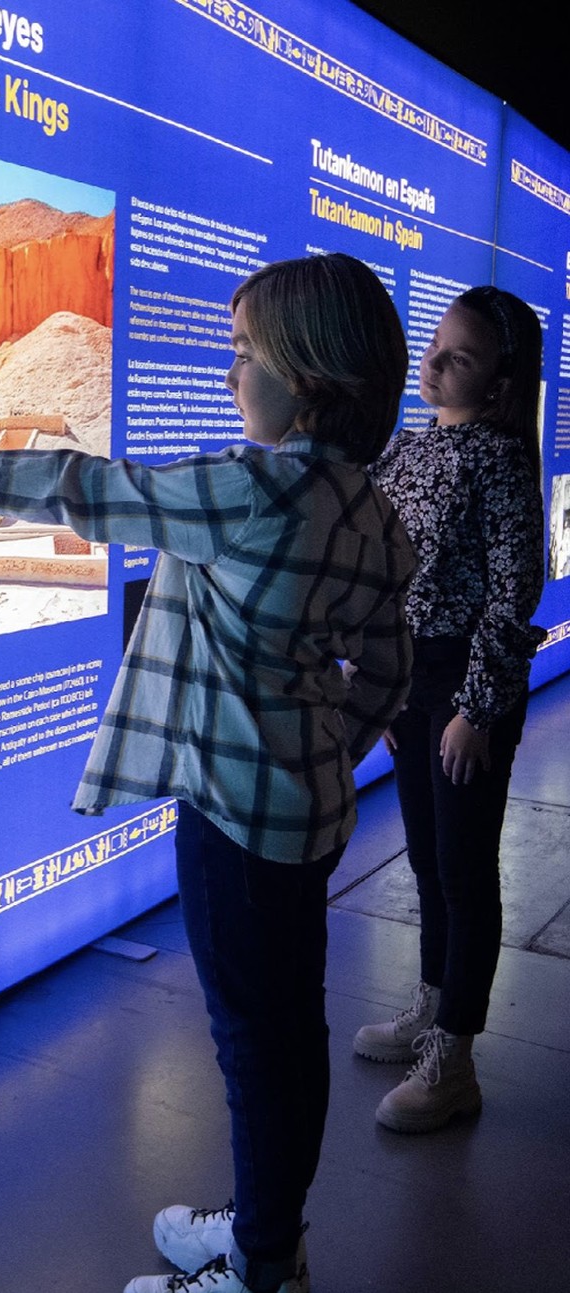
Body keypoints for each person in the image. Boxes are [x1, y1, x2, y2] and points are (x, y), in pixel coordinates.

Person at [0, 252, 415, 1293]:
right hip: (307, 813)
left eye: (244, 352)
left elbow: (81, 489)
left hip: (233, 824)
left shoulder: (250, 491)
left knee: (251, 1046)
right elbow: (386, 672)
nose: (229, 373)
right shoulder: (372, 512)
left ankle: (260, 1268)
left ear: (308, 374)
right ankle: (265, 1229)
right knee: (288, 1031)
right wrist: (320, 753)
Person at [353, 285, 546, 1134]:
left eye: (458, 357)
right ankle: (431, 1005)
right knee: (429, 861)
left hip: (469, 686)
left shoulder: (500, 460)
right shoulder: (409, 446)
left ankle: (455, 1059)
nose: (432, 364)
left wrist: (476, 710)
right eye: (435, 345)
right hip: (410, 679)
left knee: (466, 871)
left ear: (499, 381)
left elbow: (514, 593)